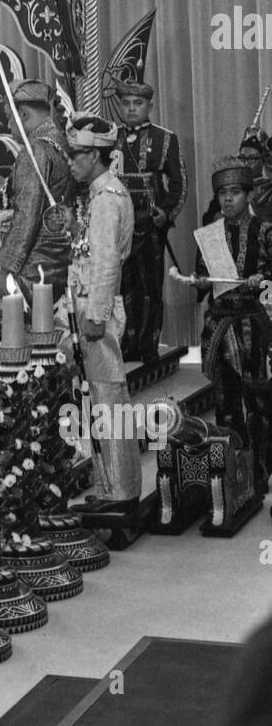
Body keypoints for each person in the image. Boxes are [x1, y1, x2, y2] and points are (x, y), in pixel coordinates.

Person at [66, 114, 139, 509]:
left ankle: (121, 491)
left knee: (110, 398)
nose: (71, 161)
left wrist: (95, 313)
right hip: (95, 305)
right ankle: (110, 485)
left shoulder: (108, 198)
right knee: (100, 397)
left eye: (76, 154)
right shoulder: (100, 194)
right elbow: (94, 251)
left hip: (101, 309)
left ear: (95, 155)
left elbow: (108, 262)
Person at [192, 157, 272, 489]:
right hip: (220, 323)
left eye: (236, 192)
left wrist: (261, 279)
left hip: (251, 325)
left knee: (256, 398)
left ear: (250, 195)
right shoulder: (210, 233)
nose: (228, 199)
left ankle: (261, 469)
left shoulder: (265, 230)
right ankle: (232, 471)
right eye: (223, 192)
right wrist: (199, 282)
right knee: (225, 400)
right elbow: (203, 277)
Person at [114, 78, 187, 363]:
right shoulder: (109, 137)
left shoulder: (165, 138)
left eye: (138, 103)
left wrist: (166, 212)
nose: (132, 109)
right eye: (127, 103)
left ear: (150, 106)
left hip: (150, 222)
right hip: (118, 222)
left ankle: (148, 344)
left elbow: (180, 182)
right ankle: (126, 342)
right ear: (120, 105)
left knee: (150, 284)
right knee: (123, 283)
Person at [0, 79, 72, 302]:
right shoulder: (59, 143)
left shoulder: (34, 151)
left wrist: (6, 268)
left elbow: (26, 216)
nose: (9, 125)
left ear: (23, 114)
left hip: (34, 270)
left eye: (9, 117)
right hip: (60, 262)